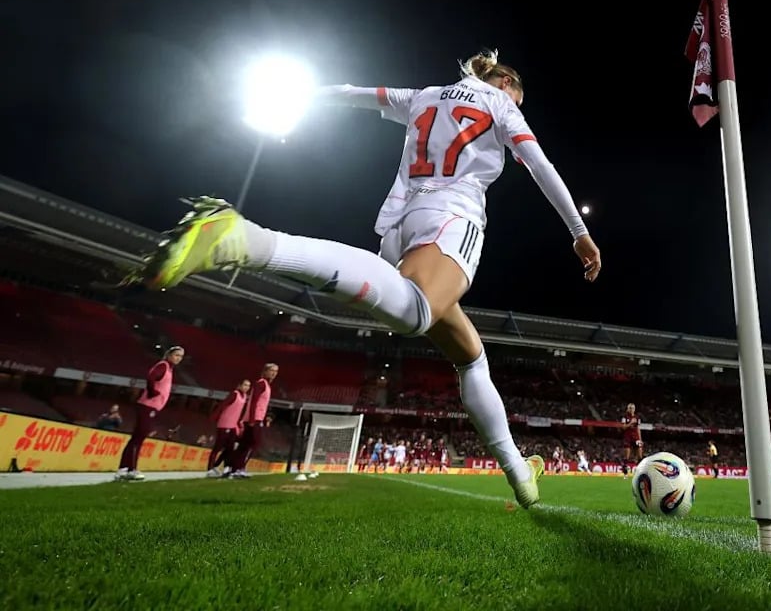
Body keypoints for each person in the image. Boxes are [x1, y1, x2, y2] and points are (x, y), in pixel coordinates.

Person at [125, 50, 600, 508]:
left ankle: (518, 471)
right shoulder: (497, 102)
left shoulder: (425, 94)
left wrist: (308, 95)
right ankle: (245, 241)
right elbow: (541, 165)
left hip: (398, 226)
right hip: (452, 217)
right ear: (504, 84)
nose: (515, 107)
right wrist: (579, 233)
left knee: (471, 356)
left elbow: (357, 93)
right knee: (416, 312)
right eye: (517, 99)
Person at [115, 346, 184, 481]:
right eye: (176, 355)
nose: (178, 358)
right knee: (139, 438)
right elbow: (151, 376)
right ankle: (131, 469)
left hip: (152, 407)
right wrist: (152, 392)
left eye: (180, 356)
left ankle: (125, 468)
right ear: (169, 355)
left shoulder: (169, 369)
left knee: (137, 438)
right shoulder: (163, 365)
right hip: (148, 406)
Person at [226, 364, 278, 478]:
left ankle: (234, 467)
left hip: (257, 417)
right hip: (254, 418)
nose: (274, 373)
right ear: (265, 371)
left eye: (276, 371)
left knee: (246, 444)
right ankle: (238, 467)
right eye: (272, 370)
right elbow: (254, 401)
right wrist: (252, 419)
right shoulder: (261, 383)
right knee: (253, 443)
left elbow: (262, 404)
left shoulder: (266, 385)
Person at [207, 378, 250, 476]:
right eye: (245, 385)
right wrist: (214, 417)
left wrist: (239, 423)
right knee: (217, 448)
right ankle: (209, 469)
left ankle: (225, 468)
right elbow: (223, 405)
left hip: (232, 426)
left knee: (230, 448)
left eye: (248, 386)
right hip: (224, 424)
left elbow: (239, 412)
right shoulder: (234, 394)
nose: (246, 387)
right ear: (239, 385)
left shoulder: (244, 397)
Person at [620, 403, 643, 476]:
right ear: (628, 409)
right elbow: (623, 427)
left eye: (633, 408)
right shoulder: (624, 417)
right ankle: (625, 473)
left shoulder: (637, 417)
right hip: (628, 438)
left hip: (636, 437)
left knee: (640, 455)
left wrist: (640, 439)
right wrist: (630, 423)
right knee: (627, 455)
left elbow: (638, 429)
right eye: (630, 408)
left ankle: (640, 471)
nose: (631, 409)